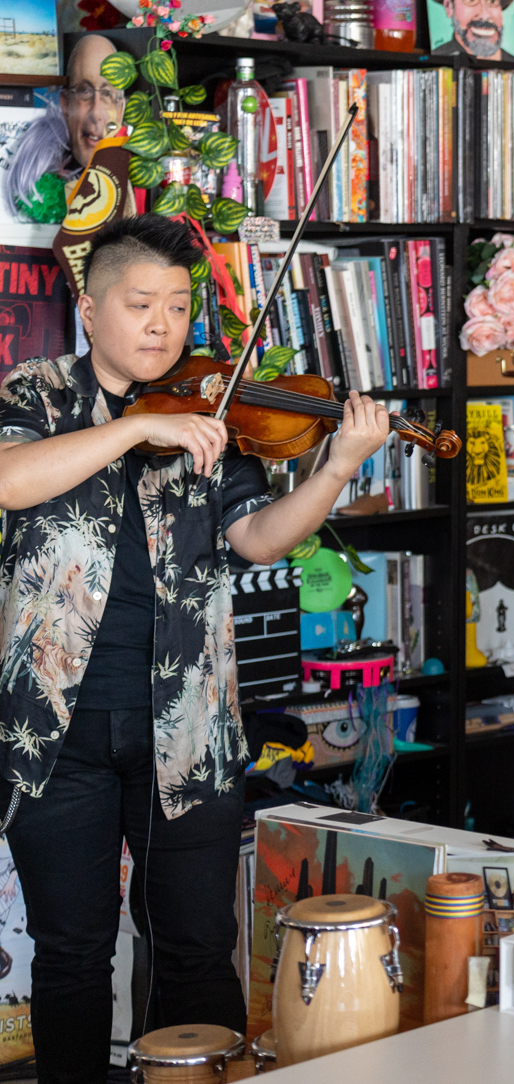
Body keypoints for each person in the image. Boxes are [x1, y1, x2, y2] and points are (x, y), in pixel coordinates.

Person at [0, 216, 392, 1082]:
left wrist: (335, 465)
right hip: (54, 731)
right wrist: (135, 432)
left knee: (197, 946)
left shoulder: (212, 408)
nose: (160, 325)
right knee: (71, 954)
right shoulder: (35, 391)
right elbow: (8, 478)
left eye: (177, 307)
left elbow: (257, 540)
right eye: (140, 304)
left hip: (189, 723)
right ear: (90, 308)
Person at [4, 34, 125, 217]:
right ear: (65, 102)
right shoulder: (40, 177)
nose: (96, 112)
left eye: (107, 94)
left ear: (120, 110)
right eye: (85, 91)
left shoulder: (136, 184)